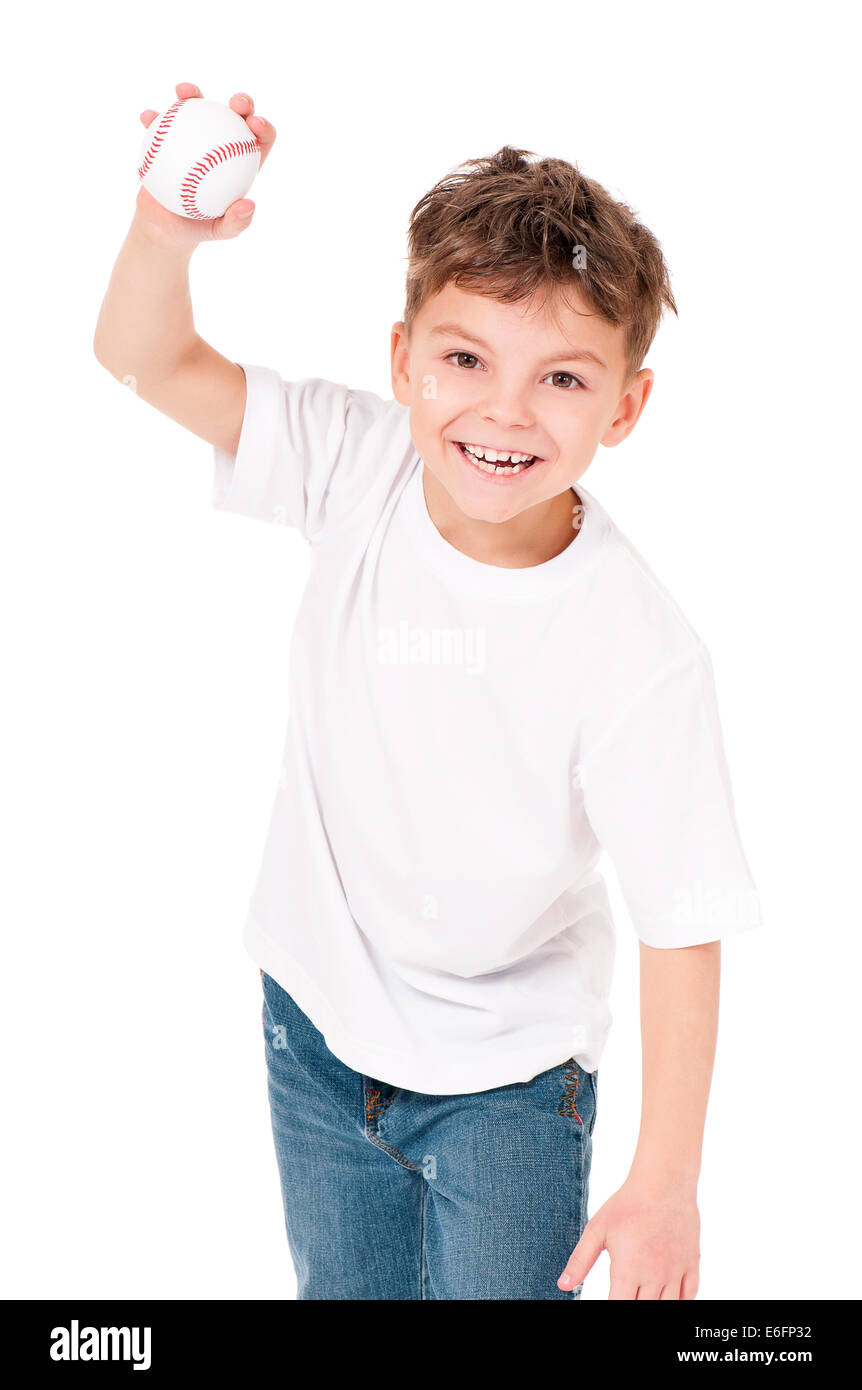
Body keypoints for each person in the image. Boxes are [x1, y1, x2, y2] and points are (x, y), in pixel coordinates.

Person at [94, 81, 762, 1301]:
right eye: (464, 358)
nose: (504, 410)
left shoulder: (637, 647)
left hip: (507, 1083)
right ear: (403, 362)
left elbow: (681, 917)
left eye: (562, 379)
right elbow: (142, 358)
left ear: (625, 406)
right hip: (312, 1025)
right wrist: (163, 233)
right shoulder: (356, 462)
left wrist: (665, 1182)